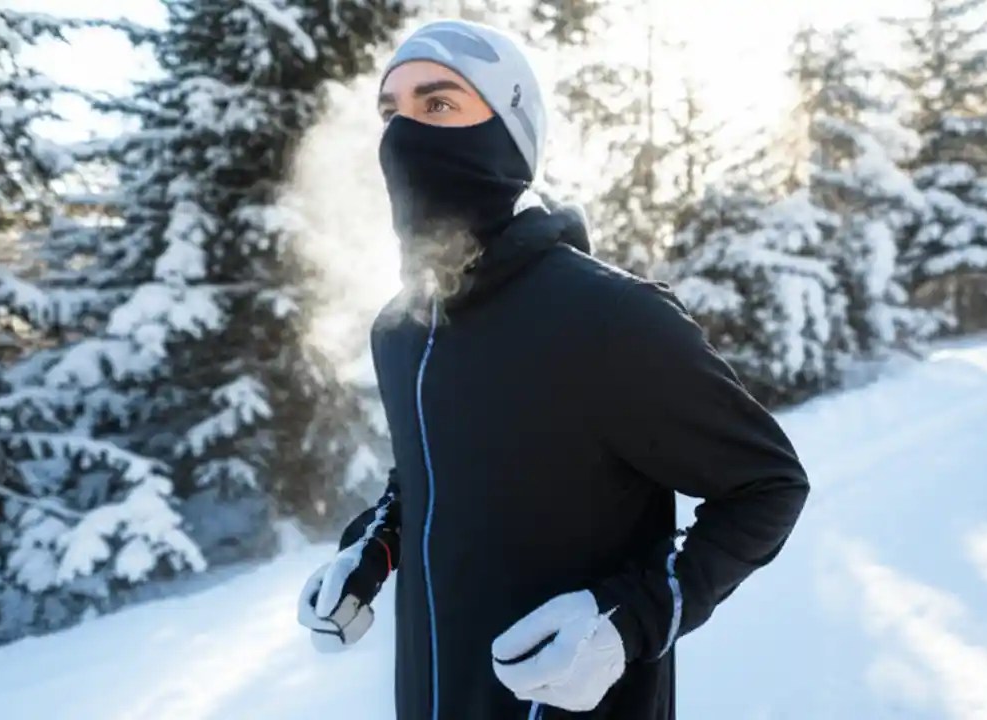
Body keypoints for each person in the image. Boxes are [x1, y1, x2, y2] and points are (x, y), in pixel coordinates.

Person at [297, 19, 810, 720]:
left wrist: (627, 622)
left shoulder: (608, 316)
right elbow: (427, 474)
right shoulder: (401, 330)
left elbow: (767, 485)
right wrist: (369, 552)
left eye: (438, 104)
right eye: (392, 113)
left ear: (507, 135)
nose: (403, 137)